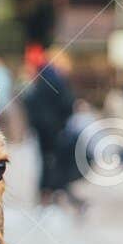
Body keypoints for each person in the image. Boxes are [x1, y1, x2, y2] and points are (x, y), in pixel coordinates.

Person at [23, 45, 74, 205]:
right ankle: (51, 191)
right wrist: (63, 119)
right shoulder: (54, 78)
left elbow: (30, 101)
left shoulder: (41, 77)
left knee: (45, 159)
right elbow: (66, 102)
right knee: (52, 159)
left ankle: (45, 192)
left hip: (42, 126)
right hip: (53, 127)